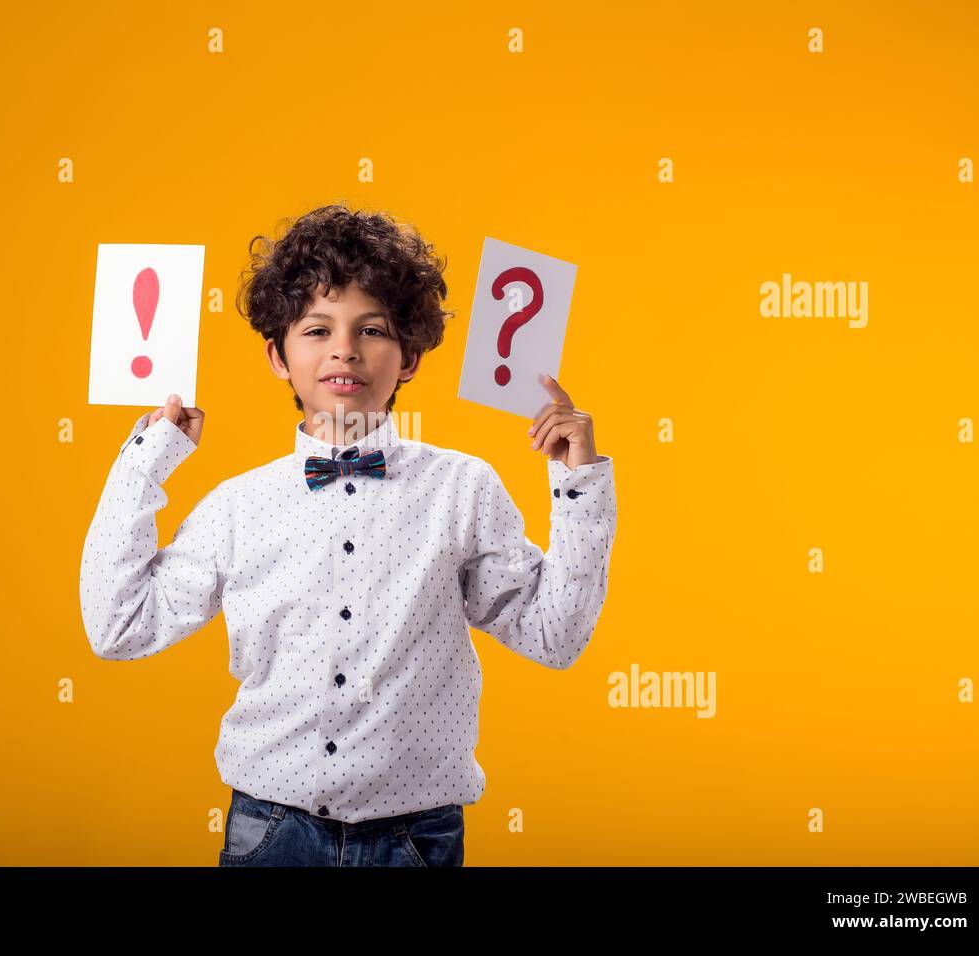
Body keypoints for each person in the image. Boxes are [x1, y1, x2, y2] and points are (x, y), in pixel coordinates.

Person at [79, 204, 618, 866]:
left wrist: (578, 488)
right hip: (271, 833)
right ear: (278, 355)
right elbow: (119, 627)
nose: (344, 349)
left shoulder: (463, 489)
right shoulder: (236, 507)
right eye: (317, 328)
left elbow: (553, 638)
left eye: (371, 329)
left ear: (411, 355)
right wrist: (147, 458)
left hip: (415, 838)